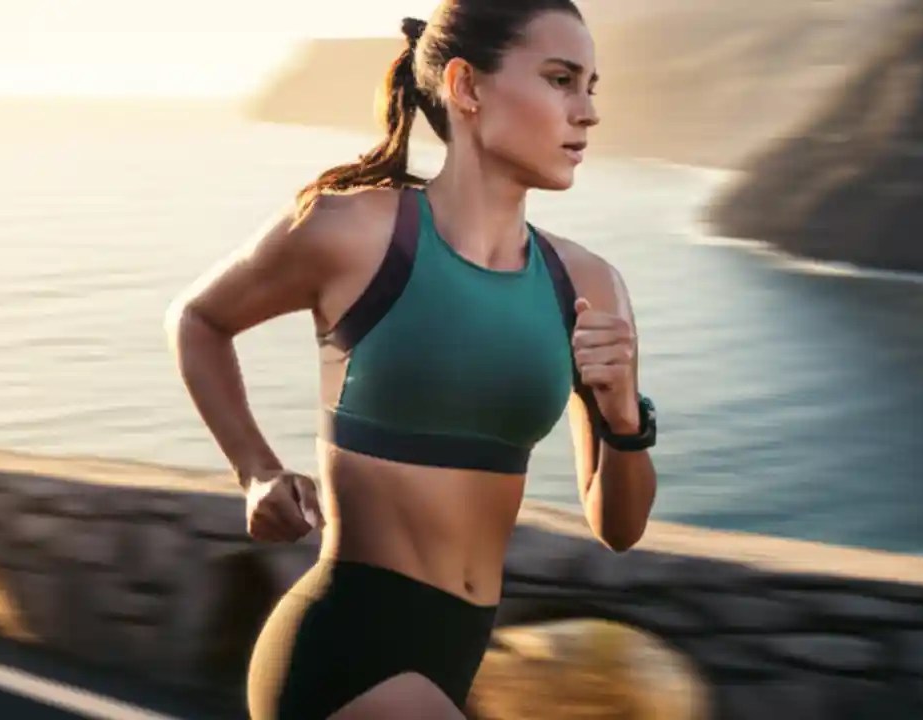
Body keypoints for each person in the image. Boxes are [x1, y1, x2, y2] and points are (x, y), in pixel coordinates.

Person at [165, 1, 658, 717]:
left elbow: (619, 528)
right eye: (560, 80)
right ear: (466, 87)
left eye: (591, 86)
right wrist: (255, 471)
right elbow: (199, 319)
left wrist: (622, 417)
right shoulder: (356, 233)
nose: (587, 112)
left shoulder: (587, 286)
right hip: (343, 650)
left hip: (455, 657)